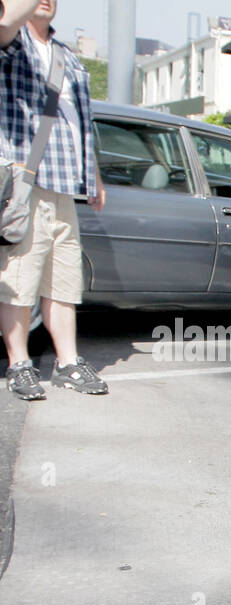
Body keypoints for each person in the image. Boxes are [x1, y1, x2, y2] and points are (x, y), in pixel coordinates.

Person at [1, 0, 107, 400]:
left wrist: (92, 175)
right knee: (19, 278)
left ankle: (67, 362)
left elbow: (83, 122)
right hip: (26, 180)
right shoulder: (13, 42)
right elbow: (6, 23)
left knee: (64, 282)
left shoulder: (69, 57)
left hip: (65, 184)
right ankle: (20, 364)